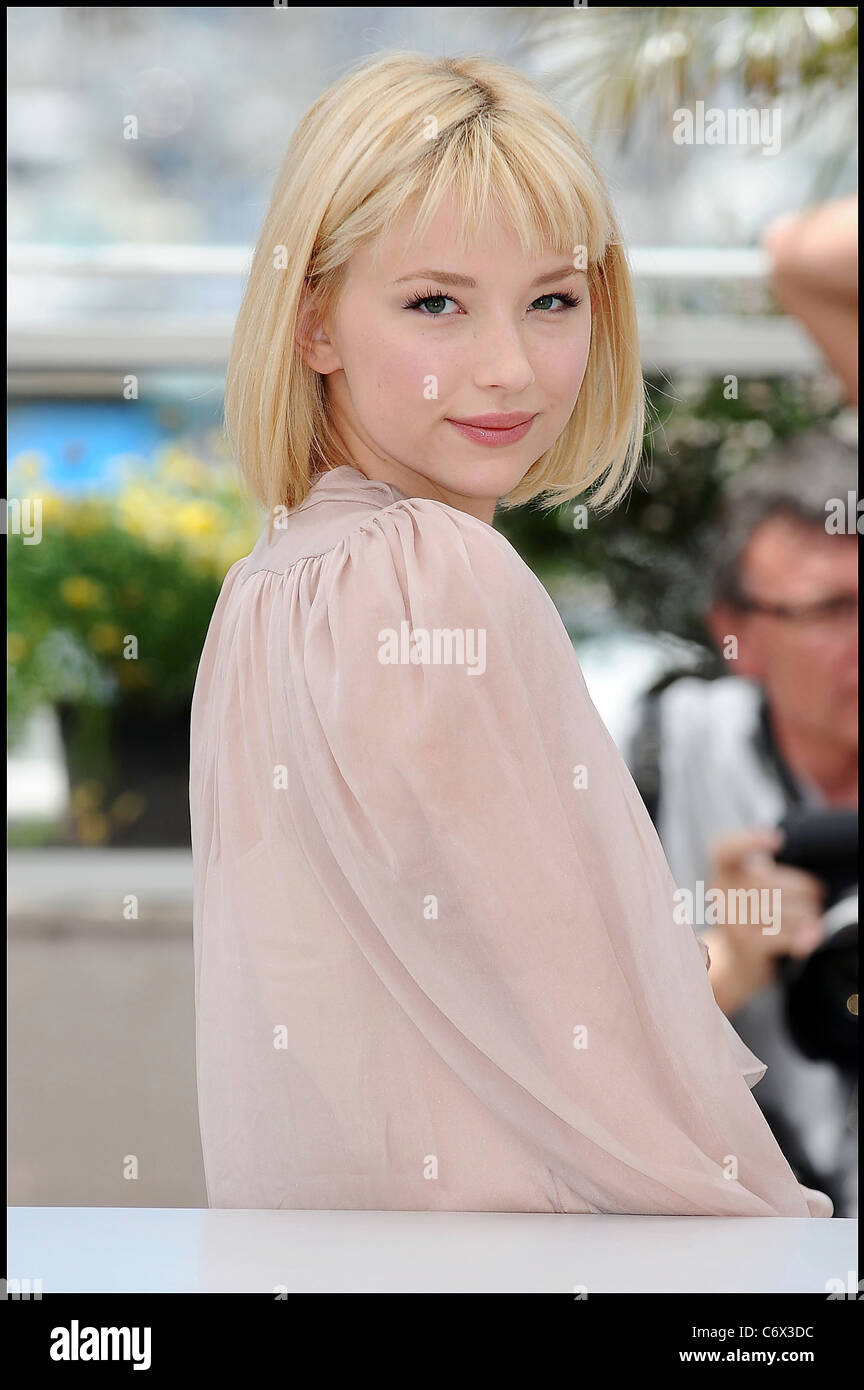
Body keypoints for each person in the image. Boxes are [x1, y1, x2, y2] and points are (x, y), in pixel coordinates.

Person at [189, 50, 832, 1217]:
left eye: (553, 300)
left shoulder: (271, 589)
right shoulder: (435, 578)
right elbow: (599, 1072)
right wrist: (780, 1244)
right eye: (435, 303)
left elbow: (459, 1012)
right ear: (315, 321)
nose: (508, 367)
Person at [627, 430, 857, 1216]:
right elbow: (570, 1048)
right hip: (742, 1235)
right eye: (832, 610)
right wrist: (725, 964)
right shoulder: (661, 758)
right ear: (740, 635)